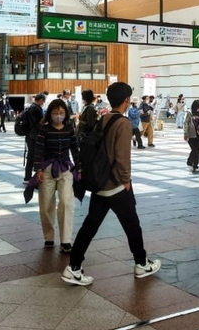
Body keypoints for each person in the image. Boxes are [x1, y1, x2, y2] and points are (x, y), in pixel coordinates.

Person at [62, 82, 161, 286]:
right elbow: (122, 156)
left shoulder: (104, 118)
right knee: (132, 225)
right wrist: (126, 181)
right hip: (116, 186)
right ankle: (141, 263)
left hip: (100, 184)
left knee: (90, 226)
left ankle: (73, 267)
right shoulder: (123, 124)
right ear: (126, 101)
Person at [33, 99, 80, 252]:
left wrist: (79, 167)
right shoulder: (44, 130)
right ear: (49, 114)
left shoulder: (69, 128)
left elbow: (75, 148)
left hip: (65, 168)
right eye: (55, 113)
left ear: (65, 113)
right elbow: (38, 149)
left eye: (61, 112)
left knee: (67, 202)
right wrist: (38, 169)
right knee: (46, 204)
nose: (58, 115)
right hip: (47, 169)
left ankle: (66, 240)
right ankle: (49, 237)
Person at [23, 94, 47, 182]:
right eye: (43, 101)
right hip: (34, 136)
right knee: (34, 156)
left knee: (31, 156)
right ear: (40, 100)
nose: (43, 103)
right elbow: (39, 123)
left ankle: (28, 176)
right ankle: (30, 177)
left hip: (29, 135)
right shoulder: (36, 109)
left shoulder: (30, 107)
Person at [183, 99, 199, 173]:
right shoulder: (189, 113)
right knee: (194, 150)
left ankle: (195, 165)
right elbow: (185, 123)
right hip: (191, 134)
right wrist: (185, 133)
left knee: (197, 150)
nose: (198, 109)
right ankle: (189, 162)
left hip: (198, 134)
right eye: (197, 107)